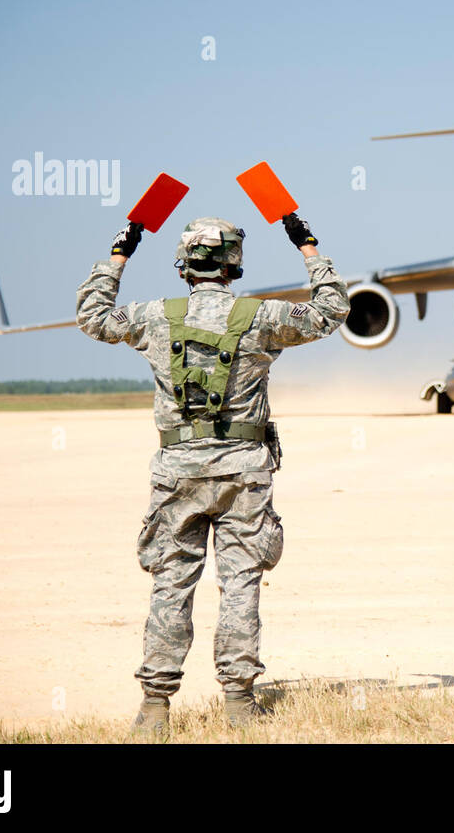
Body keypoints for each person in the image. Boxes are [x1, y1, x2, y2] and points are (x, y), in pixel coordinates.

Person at [76, 212, 349, 735]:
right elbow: (332, 309)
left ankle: (154, 709)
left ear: (184, 267)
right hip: (243, 475)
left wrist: (119, 255)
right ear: (234, 266)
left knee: (170, 585)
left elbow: (92, 316)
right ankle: (240, 707)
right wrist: (308, 245)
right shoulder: (263, 316)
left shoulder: (155, 316)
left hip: (177, 474)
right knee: (241, 582)